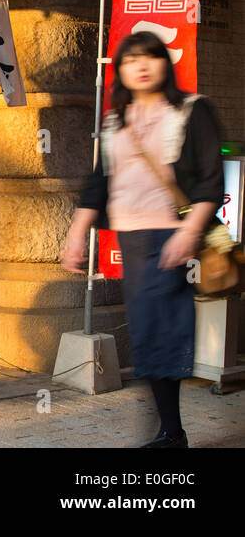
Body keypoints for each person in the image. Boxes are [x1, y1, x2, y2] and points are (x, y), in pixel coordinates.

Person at [60, 31, 225, 448]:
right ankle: (172, 430)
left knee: (163, 331)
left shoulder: (191, 110)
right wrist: (76, 234)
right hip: (133, 240)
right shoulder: (117, 121)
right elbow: (98, 185)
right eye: (132, 60)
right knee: (150, 332)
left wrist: (188, 233)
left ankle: (172, 432)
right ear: (122, 71)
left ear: (164, 64)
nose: (142, 65)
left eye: (151, 57)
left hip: (171, 234)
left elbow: (210, 180)